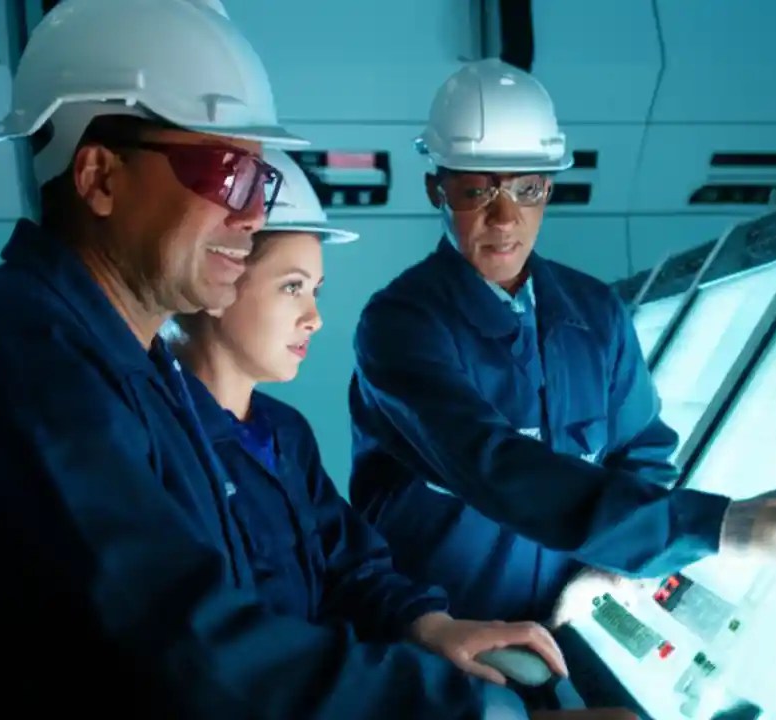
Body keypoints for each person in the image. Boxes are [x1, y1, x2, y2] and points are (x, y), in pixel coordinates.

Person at [0, 6, 571, 719]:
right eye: (225, 173)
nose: (256, 211)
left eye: (259, 178)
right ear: (99, 175)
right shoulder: (16, 358)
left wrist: (423, 625)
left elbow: (297, 577)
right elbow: (186, 645)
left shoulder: (138, 374)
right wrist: (467, 710)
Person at [348, 58, 776, 629]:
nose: (504, 218)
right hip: (437, 638)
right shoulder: (400, 325)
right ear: (436, 188)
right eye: (477, 190)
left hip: (566, 628)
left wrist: (611, 571)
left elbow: (642, 454)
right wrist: (718, 526)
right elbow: (495, 467)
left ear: (548, 188)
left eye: (526, 188)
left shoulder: (593, 311)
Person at [165, 149, 567, 694]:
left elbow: (349, 566)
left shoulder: (284, 434)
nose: (314, 316)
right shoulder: (162, 442)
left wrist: (434, 625)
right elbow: (228, 656)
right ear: (219, 276)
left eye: (315, 291)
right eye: (292, 287)